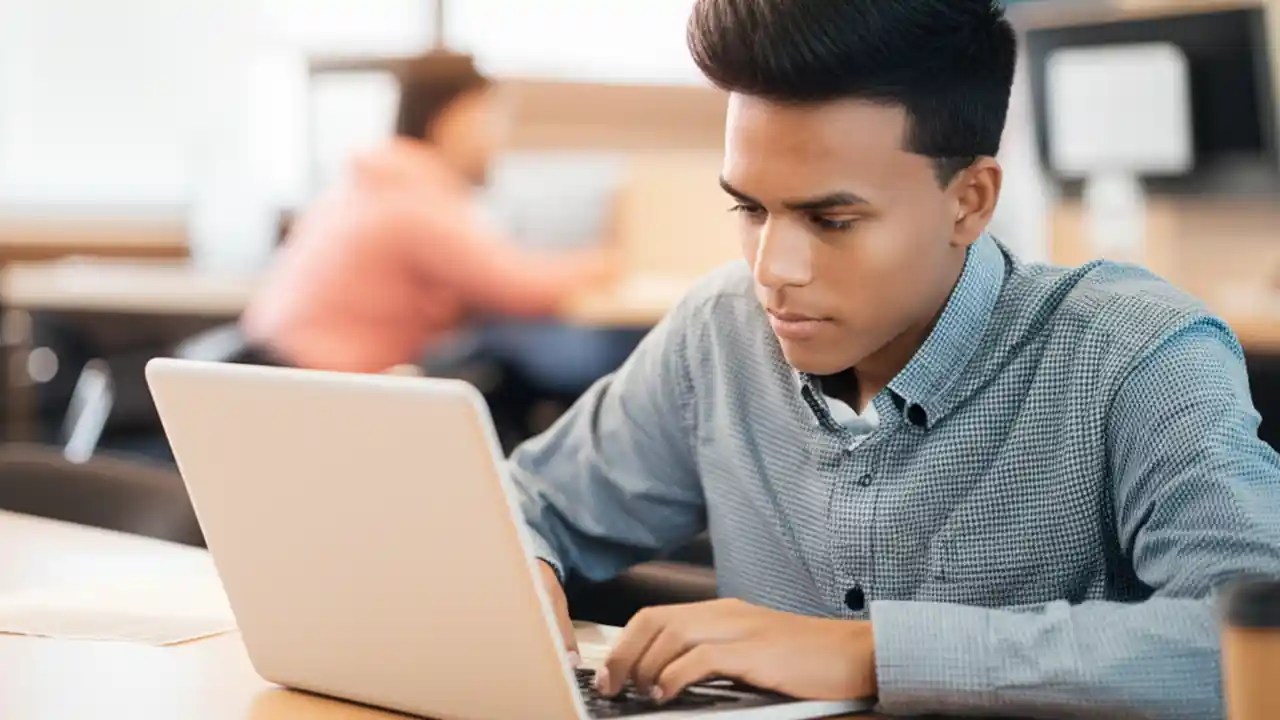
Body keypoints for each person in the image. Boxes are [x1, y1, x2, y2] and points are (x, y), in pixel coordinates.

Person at [507, 1, 1280, 718]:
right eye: (749, 208)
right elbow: (529, 501)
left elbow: (1256, 641)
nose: (774, 268)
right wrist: (518, 583)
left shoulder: (1135, 356)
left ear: (969, 200)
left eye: (833, 219)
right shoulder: (718, 331)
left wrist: (875, 656)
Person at [241, 54, 613, 373]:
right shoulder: (413, 201)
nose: (497, 139)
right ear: (453, 119)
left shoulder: (375, 181)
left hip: (275, 370)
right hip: (323, 384)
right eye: (488, 120)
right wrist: (610, 262)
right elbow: (520, 288)